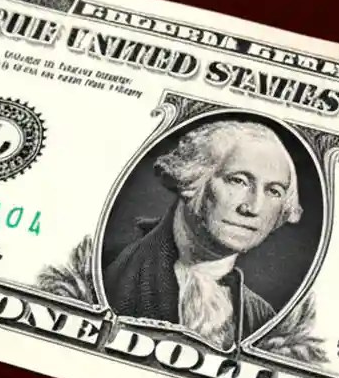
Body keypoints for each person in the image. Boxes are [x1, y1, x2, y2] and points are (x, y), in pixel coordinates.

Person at [103, 120, 302, 350]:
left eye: (273, 191)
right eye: (239, 181)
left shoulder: (264, 318)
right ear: (191, 180)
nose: (253, 208)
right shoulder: (106, 267)